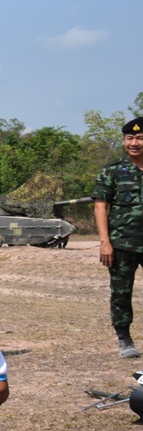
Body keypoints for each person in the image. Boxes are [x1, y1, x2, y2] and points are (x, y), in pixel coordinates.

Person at [92, 116, 143, 359]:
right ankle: (124, 338)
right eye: (130, 138)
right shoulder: (112, 171)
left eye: (140, 138)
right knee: (121, 293)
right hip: (122, 243)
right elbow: (100, 207)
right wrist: (105, 242)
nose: (134, 142)